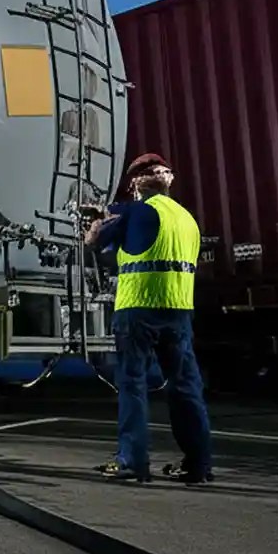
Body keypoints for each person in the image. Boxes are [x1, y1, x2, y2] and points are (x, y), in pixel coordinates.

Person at [84, 153, 214, 484]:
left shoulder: (135, 210)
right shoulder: (187, 219)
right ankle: (198, 465)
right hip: (179, 311)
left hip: (138, 310)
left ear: (136, 185)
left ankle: (132, 461)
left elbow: (93, 242)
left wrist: (97, 219)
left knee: (133, 385)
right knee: (186, 387)